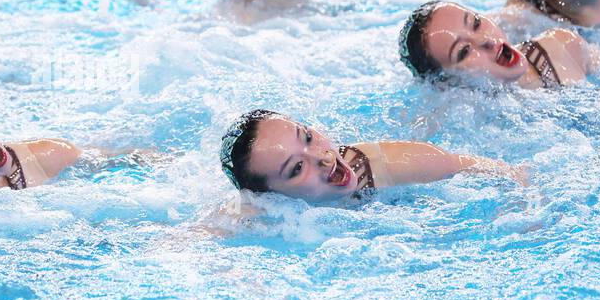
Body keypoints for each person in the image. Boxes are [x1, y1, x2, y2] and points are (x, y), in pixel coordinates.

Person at [219, 110, 523, 201]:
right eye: (298, 167)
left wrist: (524, 205)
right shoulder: (261, 214)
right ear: (271, 197)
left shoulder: (390, 165)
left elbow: (497, 170)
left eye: (308, 138)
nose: (322, 157)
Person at [398, 1, 598, 89]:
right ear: (446, 83)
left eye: (476, 23)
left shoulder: (562, 48)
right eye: (464, 51)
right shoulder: (460, 124)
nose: (486, 40)